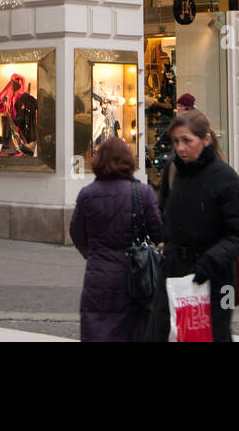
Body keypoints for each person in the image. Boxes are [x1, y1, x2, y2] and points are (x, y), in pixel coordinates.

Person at [149, 109, 239, 342]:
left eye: (187, 140)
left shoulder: (225, 178)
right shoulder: (173, 171)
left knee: (209, 335)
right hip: (173, 272)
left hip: (213, 277)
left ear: (205, 140)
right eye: (176, 141)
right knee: (161, 331)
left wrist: (211, 260)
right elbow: (163, 212)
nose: (180, 147)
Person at [69, 136, 164, 342]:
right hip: (134, 276)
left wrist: (94, 254)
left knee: (98, 330)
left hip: (98, 277)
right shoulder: (143, 192)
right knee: (132, 331)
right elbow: (159, 233)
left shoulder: (87, 194)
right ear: (128, 160)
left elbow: (77, 234)